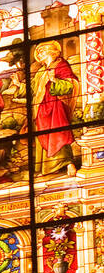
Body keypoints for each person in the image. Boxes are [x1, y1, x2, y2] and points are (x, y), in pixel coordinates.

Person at [32, 40, 79, 176]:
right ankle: (48, 168)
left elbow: (71, 85)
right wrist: (19, 86)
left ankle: (68, 163)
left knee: (59, 133)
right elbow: (33, 90)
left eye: (42, 51)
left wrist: (54, 81)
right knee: (43, 134)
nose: (39, 54)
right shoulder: (40, 71)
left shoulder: (61, 65)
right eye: (38, 52)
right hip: (41, 107)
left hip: (56, 104)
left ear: (51, 51)